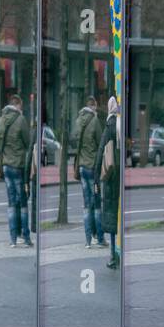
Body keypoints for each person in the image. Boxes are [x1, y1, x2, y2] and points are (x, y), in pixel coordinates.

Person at [0, 90, 33, 248]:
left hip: (6, 165)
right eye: (21, 106)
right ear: (17, 105)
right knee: (23, 202)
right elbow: (28, 142)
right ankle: (25, 237)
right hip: (18, 165)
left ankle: (13, 238)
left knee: (12, 202)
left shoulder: (2, 120)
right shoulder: (20, 119)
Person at [71, 96, 104, 248]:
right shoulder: (95, 121)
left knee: (86, 203)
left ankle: (88, 240)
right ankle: (99, 237)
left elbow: (75, 139)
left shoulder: (78, 121)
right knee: (96, 203)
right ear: (94, 106)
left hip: (82, 166)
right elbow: (100, 143)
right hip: (92, 166)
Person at [99, 96, 122, 269]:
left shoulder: (110, 125)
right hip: (122, 174)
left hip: (112, 176)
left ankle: (114, 256)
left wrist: (95, 176)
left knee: (112, 215)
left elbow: (101, 151)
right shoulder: (122, 123)